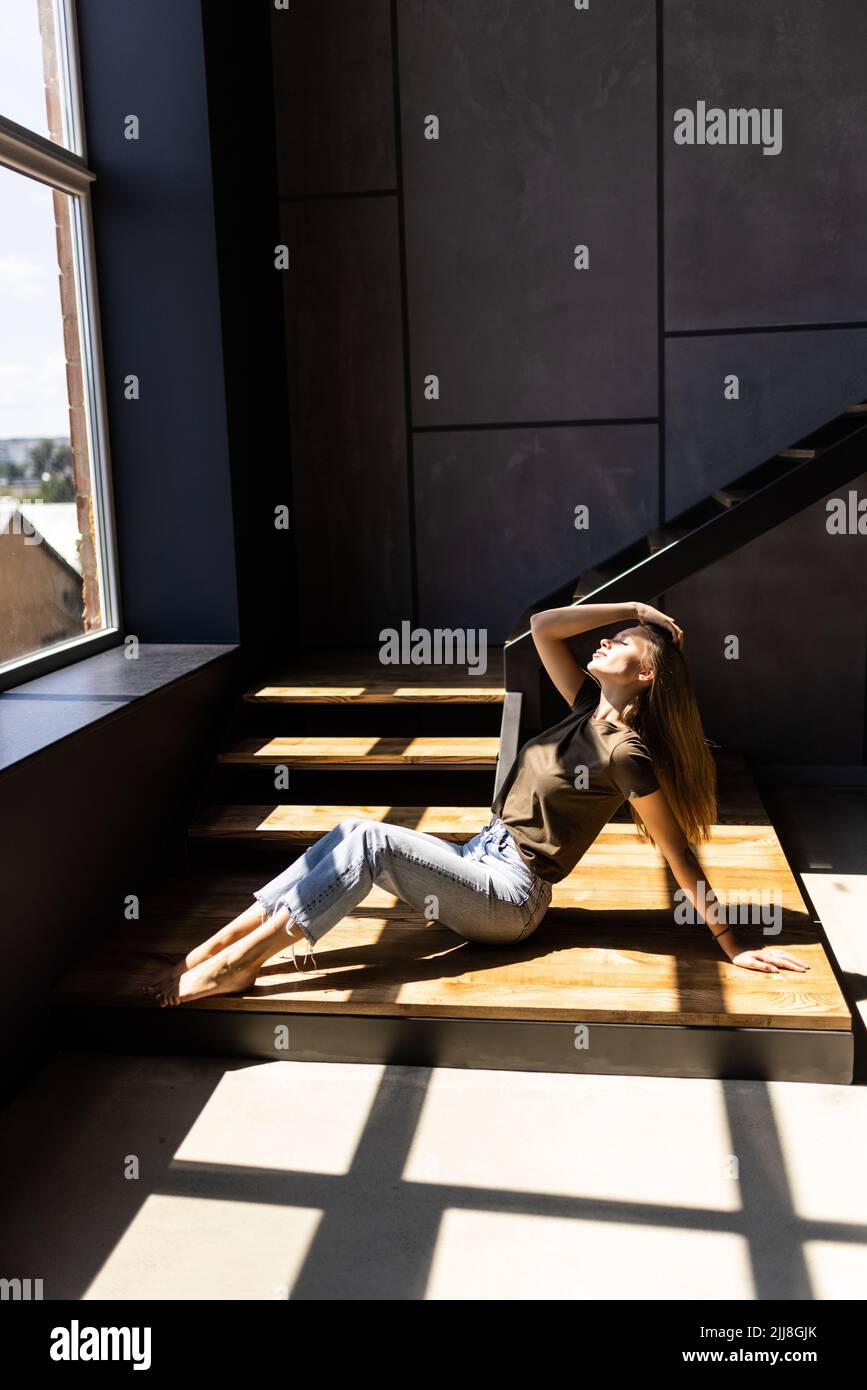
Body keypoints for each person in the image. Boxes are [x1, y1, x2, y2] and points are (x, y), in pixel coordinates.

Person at [147, 600, 808, 1006]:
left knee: (371, 844)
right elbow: (544, 627)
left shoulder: (624, 751)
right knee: (352, 828)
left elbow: (676, 851)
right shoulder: (584, 705)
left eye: (620, 646)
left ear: (645, 675)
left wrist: (728, 943)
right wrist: (632, 609)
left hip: (509, 897)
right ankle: (224, 942)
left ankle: (239, 966)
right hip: (478, 856)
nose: (600, 644)